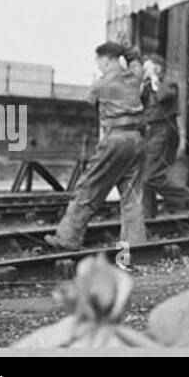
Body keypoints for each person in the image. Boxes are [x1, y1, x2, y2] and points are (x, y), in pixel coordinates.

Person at [45, 41, 148, 251]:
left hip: (115, 140)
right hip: (137, 140)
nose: (98, 65)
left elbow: (89, 99)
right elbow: (136, 60)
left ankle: (68, 237)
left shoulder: (101, 84)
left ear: (106, 59)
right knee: (132, 197)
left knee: (89, 187)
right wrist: (127, 49)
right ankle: (136, 246)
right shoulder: (135, 76)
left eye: (99, 61)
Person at [139, 53, 187, 216]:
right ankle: (148, 215)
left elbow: (163, 96)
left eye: (148, 67)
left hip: (164, 131)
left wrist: (154, 79)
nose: (144, 70)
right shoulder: (147, 86)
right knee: (144, 176)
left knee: (150, 176)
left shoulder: (169, 84)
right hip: (149, 132)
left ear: (158, 69)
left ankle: (187, 195)